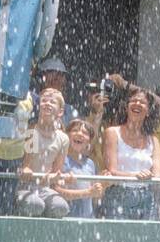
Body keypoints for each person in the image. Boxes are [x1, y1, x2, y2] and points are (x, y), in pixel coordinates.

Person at [103, 86, 160, 220]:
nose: (137, 104)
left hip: (147, 196)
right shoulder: (112, 133)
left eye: (142, 102)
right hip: (118, 194)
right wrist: (135, 175)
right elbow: (111, 171)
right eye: (134, 101)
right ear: (126, 107)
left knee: (147, 239)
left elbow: (158, 173)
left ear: (148, 111)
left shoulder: (153, 140)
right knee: (117, 239)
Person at [17, 89, 72, 218]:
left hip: (45, 188)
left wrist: (59, 178)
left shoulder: (63, 139)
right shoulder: (32, 131)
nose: (47, 104)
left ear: (60, 111)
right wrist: (30, 174)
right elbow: (26, 166)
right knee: (35, 205)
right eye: (44, 101)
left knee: (61, 207)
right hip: (25, 186)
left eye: (52, 102)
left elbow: (57, 171)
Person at [53, 118, 103, 219]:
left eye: (85, 133)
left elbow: (94, 196)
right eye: (75, 130)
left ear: (89, 142)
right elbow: (54, 191)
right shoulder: (59, 159)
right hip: (64, 219)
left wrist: (103, 186)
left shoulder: (90, 164)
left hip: (87, 220)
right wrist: (87, 193)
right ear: (66, 136)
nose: (79, 134)